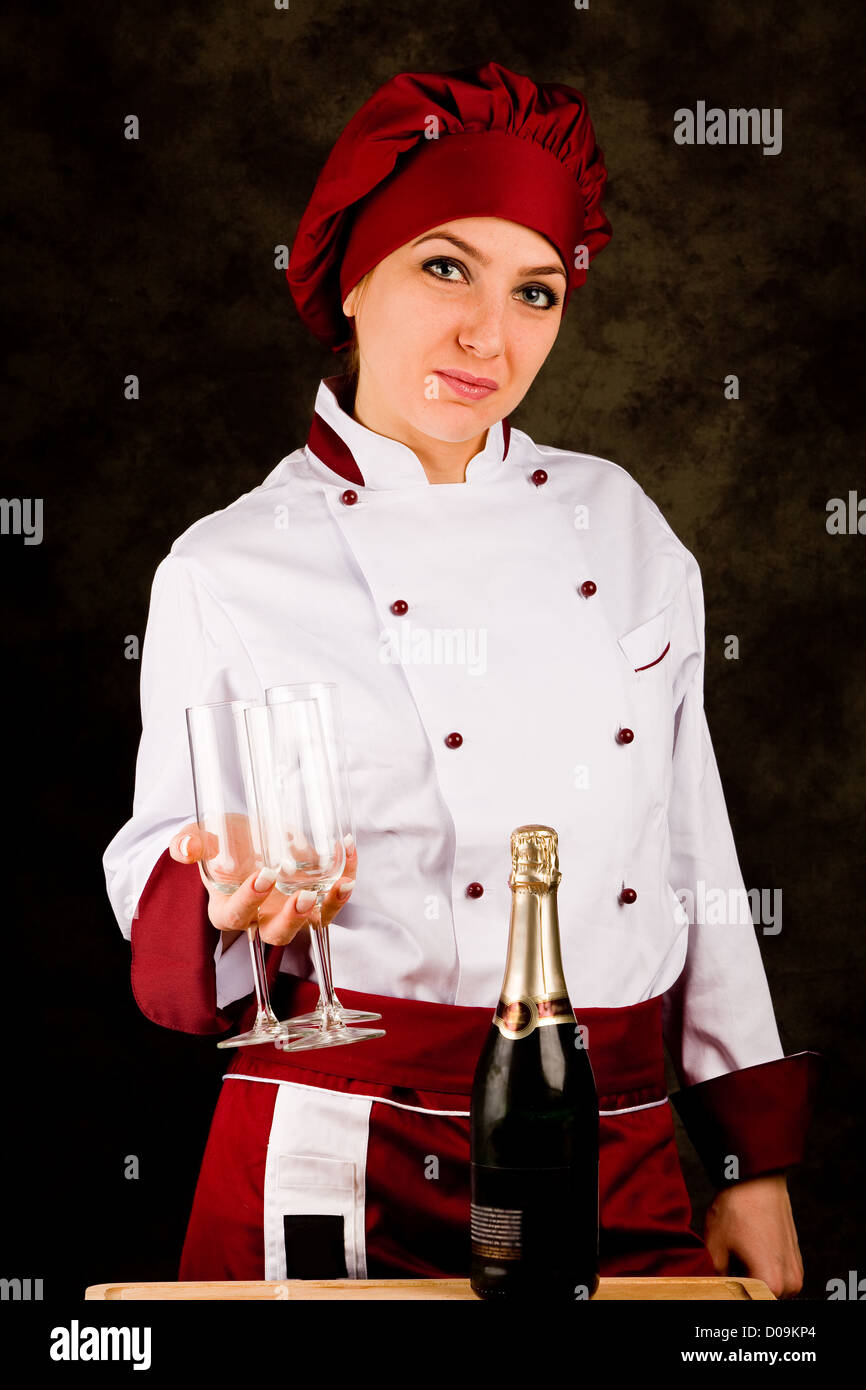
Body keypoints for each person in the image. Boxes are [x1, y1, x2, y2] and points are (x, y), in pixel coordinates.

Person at [102, 59, 821, 1296]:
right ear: (351, 271)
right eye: (445, 266)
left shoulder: (621, 523)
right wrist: (215, 887)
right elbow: (159, 851)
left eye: (532, 291)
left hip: (612, 1140)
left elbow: (691, 849)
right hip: (340, 1147)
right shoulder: (226, 564)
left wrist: (750, 1157)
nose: (488, 336)